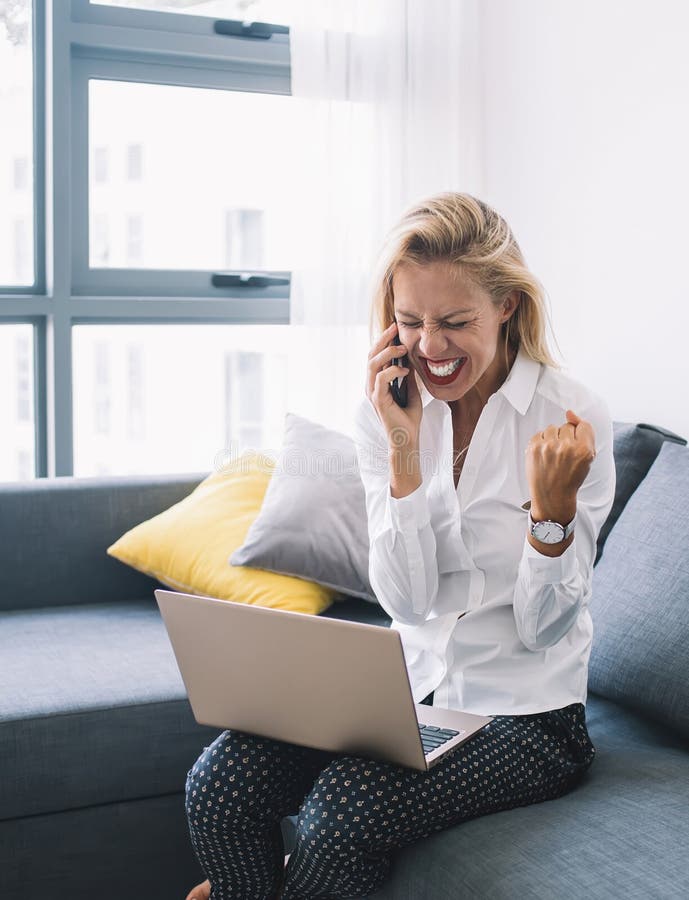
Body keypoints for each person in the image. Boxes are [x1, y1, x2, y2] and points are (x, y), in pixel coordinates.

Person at [184, 192, 615, 900]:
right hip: (403, 699)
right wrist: (403, 453)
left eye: (454, 322)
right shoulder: (387, 410)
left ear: (505, 305)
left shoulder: (568, 417)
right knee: (220, 786)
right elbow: (408, 603)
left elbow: (544, 631)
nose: (430, 347)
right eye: (409, 322)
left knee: (338, 817)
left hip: (528, 718)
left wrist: (553, 515)